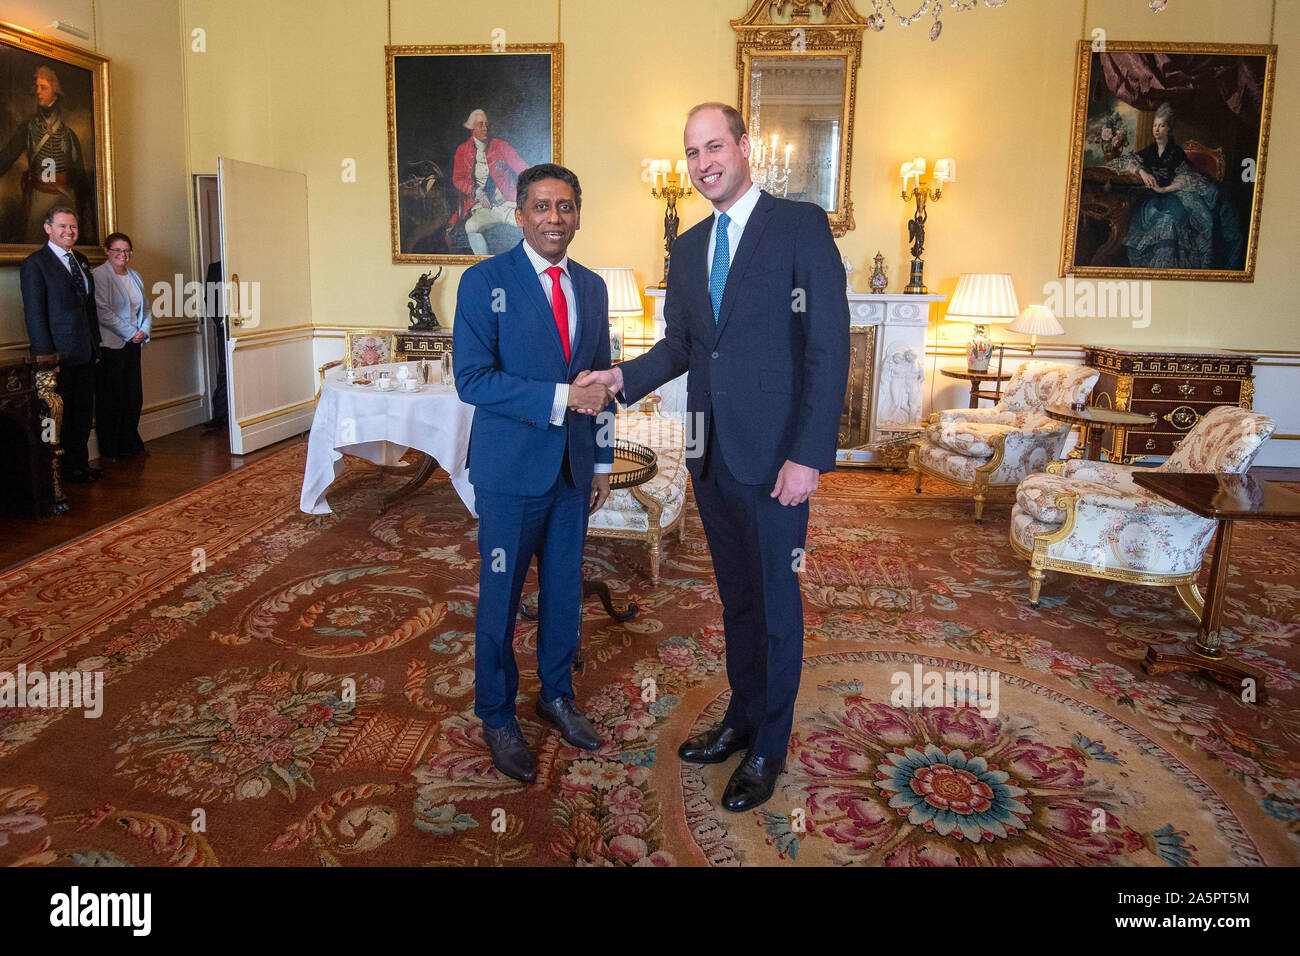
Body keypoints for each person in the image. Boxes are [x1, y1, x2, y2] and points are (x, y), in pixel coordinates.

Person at [576, 103, 850, 812]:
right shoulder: (688, 246)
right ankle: (741, 717)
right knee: (736, 601)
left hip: (777, 460)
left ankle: (769, 745)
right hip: (711, 455)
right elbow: (685, 347)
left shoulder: (800, 226)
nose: (703, 164)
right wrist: (622, 377)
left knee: (776, 605)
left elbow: (828, 348)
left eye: (714, 146)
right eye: (692, 152)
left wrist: (808, 456)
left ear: (745, 146)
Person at [452, 162, 616, 783]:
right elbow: (473, 380)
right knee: (500, 598)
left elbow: (600, 385)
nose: (555, 218)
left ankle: (555, 697)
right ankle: (496, 713)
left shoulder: (594, 288)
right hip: (509, 472)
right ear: (520, 214)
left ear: (578, 214)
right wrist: (559, 400)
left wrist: (601, 458)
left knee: (564, 595)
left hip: (575, 473)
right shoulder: (483, 282)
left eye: (566, 207)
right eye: (542, 207)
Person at [1107, 102, 1244, 270]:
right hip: (1152, 198)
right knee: (1142, 217)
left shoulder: (1176, 152)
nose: (1157, 130)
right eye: (1155, 125)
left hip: (1175, 194)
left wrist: (1164, 189)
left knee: (1170, 220)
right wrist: (1141, 171)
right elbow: (1126, 161)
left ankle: (1170, 269)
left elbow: (1184, 178)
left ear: (1169, 129)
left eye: (1161, 125)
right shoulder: (1149, 151)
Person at [20, 206, 101, 483]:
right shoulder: (35, 264)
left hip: (85, 351)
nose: (69, 232)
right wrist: (46, 358)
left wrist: (96, 347)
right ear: (48, 228)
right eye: (63, 226)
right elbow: (35, 315)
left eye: (73, 227)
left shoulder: (80, 259)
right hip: (57, 357)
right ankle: (60, 472)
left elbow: (89, 309)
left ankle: (80, 465)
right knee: (59, 417)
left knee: (81, 413)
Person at [0, 65, 93, 243]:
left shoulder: (68, 134)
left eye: (43, 87)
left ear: (55, 91)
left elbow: (80, 179)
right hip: (38, 195)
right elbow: (7, 157)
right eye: (37, 87)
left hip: (65, 196)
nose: (38, 92)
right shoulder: (28, 127)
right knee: (34, 237)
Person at [91, 232, 150, 459]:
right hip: (111, 345)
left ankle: (129, 442)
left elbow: (145, 308)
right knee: (111, 397)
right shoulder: (99, 275)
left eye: (126, 251)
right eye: (117, 250)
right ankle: (111, 448)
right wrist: (131, 332)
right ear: (107, 251)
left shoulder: (135, 276)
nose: (122, 255)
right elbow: (103, 312)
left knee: (133, 396)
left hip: (134, 344)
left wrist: (144, 331)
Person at [450, 109, 529, 255]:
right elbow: (458, 179)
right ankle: (485, 264)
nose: (485, 128)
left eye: (487, 124)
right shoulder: (462, 150)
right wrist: (477, 192)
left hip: (509, 205)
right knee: (471, 226)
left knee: (530, 226)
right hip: (484, 207)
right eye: (481, 124)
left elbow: (523, 168)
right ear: (472, 127)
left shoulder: (501, 146)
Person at [201, 260, 228, 431]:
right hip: (224, 328)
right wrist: (221, 322)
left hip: (252, 327)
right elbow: (209, 299)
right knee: (224, 371)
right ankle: (221, 415)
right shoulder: (215, 267)